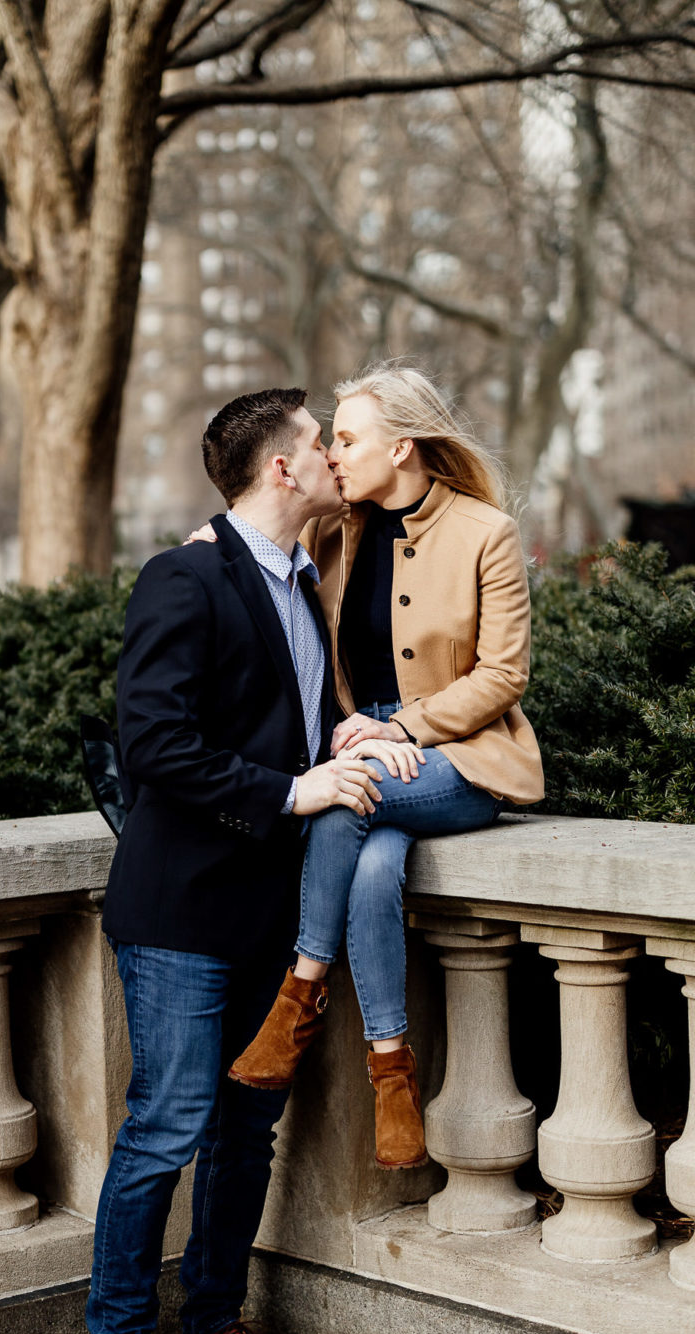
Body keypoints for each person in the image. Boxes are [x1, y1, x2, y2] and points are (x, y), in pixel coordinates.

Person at [84, 388, 388, 1334]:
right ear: (281, 468)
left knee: (244, 1132)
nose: (334, 455)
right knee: (166, 1126)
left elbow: (286, 715)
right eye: (319, 441)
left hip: (270, 911)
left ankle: (211, 1325)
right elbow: (153, 743)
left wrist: (344, 740)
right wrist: (292, 791)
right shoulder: (185, 575)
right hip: (180, 909)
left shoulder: (304, 576)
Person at [202, 363, 544, 1171]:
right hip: (366, 749)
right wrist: (210, 545)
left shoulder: (485, 532)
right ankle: (391, 1067)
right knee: (376, 864)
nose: (334, 455)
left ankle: (299, 994)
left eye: (349, 440)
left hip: (461, 754)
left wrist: (402, 730)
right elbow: (261, 535)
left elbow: (503, 676)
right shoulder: (338, 527)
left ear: (402, 447)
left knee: (343, 795)